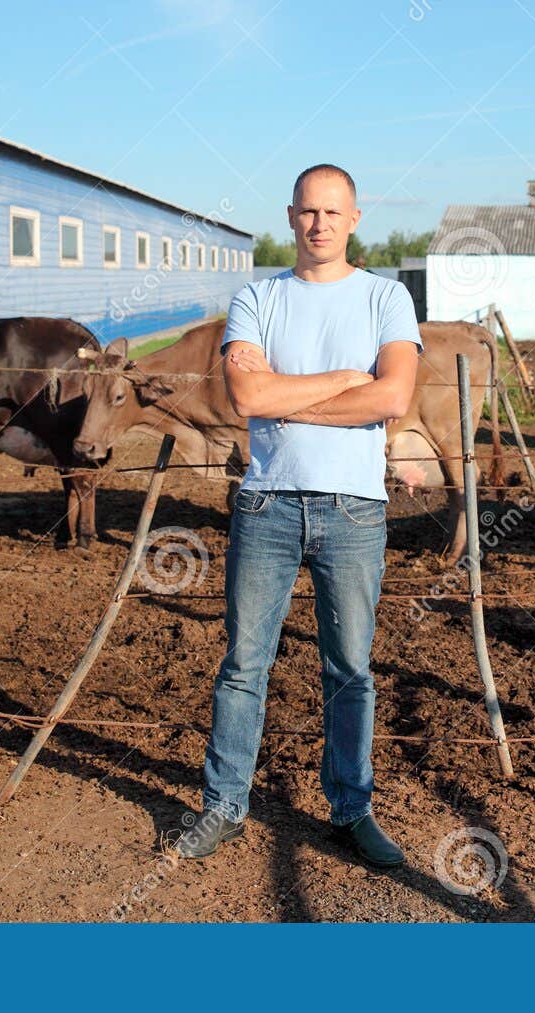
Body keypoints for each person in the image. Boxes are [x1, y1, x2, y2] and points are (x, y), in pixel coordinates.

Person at [173, 163, 421, 868]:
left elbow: (391, 398)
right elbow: (247, 397)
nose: (320, 224)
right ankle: (223, 804)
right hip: (267, 504)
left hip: (354, 510)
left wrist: (292, 396)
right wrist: (347, 380)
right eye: (308, 212)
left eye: (332, 213)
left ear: (355, 219)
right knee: (245, 664)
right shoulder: (256, 297)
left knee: (349, 669)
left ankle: (351, 809)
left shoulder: (385, 298)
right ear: (290, 217)